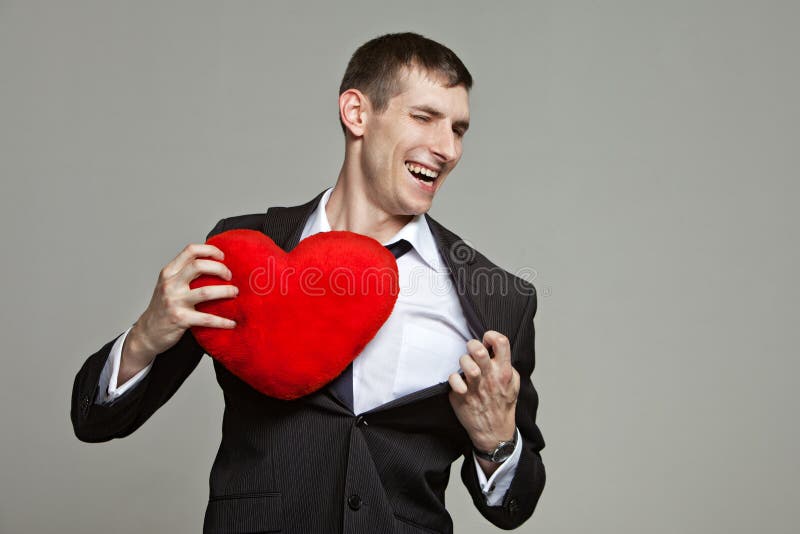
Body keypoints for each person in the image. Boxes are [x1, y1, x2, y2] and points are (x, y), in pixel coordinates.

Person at [71, 32, 545, 534]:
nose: (447, 148)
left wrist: (498, 440)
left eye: (459, 129)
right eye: (424, 118)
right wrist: (147, 334)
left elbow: (513, 506)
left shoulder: (497, 297)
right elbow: (97, 420)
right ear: (357, 113)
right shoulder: (243, 250)